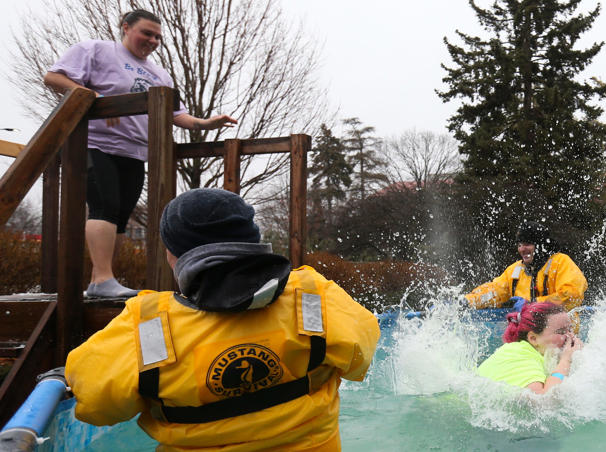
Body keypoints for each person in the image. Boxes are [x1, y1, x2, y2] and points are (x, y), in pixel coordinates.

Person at [64, 188, 381, 451]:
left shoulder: (146, 324)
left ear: (173, 256)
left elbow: (95, 403)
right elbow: (360, 356)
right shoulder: (312, 295)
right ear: (254, 242)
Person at [43, 9, 237, 298]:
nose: (153, 40)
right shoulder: (96, 50)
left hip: (134, 152)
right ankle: (103, 277)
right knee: (104, 206)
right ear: (126, 28)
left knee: (121, 217)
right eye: (147, 33)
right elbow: (53, 77)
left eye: (158, 37)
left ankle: (100, 281)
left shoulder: (160, 74)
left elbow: (177, 114)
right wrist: (95, 97)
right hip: (95, 143)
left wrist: (206, 123)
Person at [464, 221, 588, 312]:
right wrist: (470, 301)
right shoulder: (514, 270)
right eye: (519, 245)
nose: (522, 249)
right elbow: (495, 291)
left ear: (540, 245)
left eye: (527, 244)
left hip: (562, 335)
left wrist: (533, 304)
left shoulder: (561, 262)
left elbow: (572, 295)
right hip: (530, 335)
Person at [476, 302, 582, 393]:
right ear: (533, 338)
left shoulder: (535, 353)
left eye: (570, 330)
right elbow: (544, 402)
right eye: (561, 332)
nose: (570, 336)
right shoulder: (519, 355)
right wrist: (566, 360)